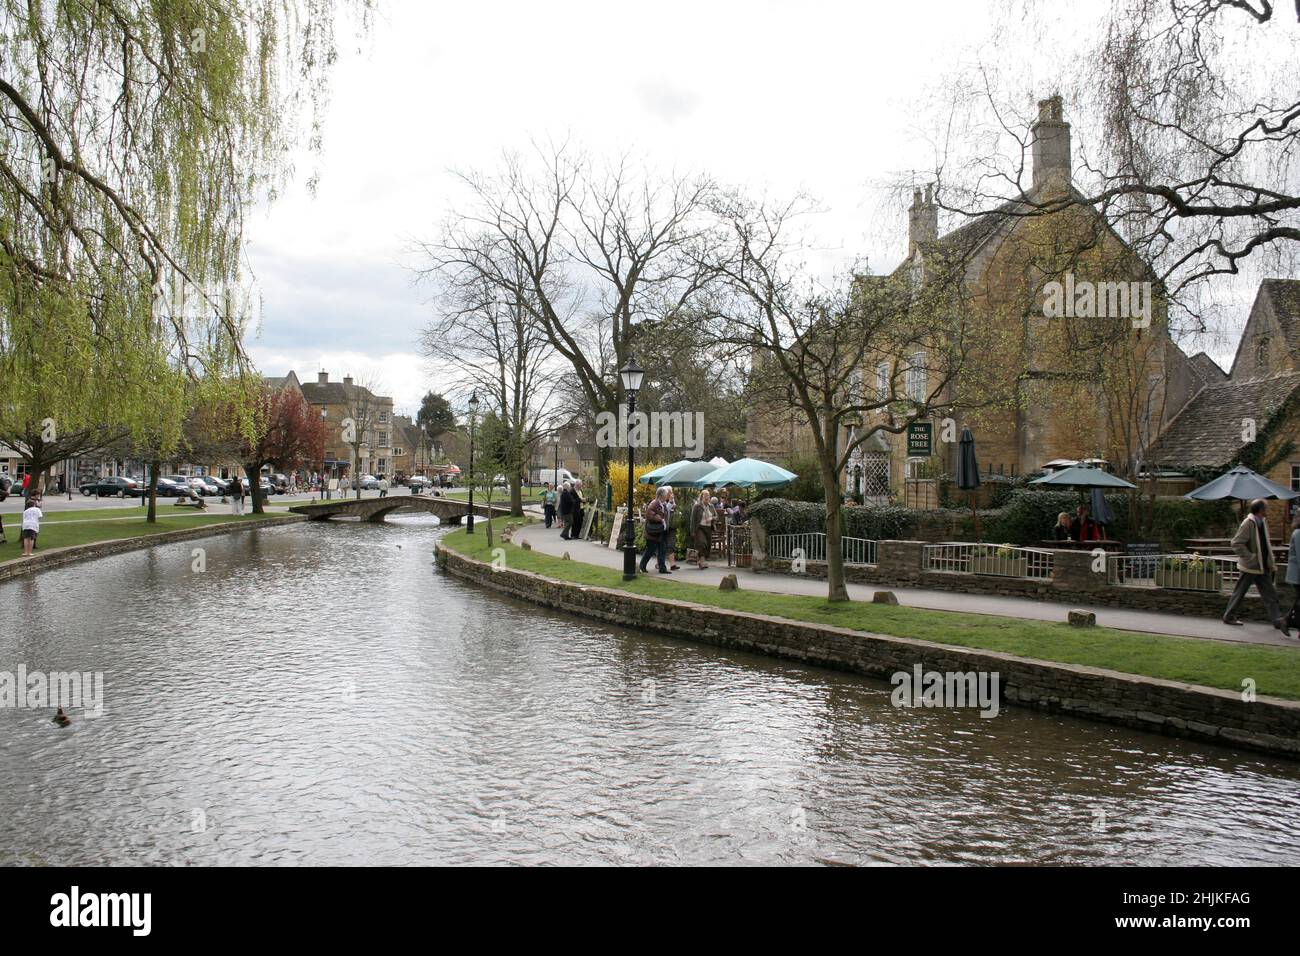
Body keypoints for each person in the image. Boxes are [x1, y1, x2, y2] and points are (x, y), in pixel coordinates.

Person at [1224, 498, 1289, 634]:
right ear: (1260, 510)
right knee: (1239, 593)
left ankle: (1278, 621)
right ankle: (1228, 616)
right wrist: (1250, 557)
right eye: (1266, 508)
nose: (1268, 510)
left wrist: (1269, 561)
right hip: (1250, 566)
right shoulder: (1248, 523)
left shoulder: (1262, 522)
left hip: (1262, 565)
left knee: (1270, 594)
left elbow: (1265, 544)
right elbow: (1236, 543)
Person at [639, 487, 671, 574]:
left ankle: (662, 568)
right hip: (653, 532)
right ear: (661, 495)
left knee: (662, 550)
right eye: (665, 494)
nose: (667, 496)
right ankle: (642, 566)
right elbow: (649, 514)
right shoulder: (654, 503)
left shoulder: (663, 504)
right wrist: (659, 518)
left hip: (661, 531)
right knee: (650, 550)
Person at [690, 490, 715, 569]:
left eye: (708, 496)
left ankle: (701, 561)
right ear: (701, 497)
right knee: (702, 543)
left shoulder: (711, 506)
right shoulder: (697, 506)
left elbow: (716, 516)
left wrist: (711, 518)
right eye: (705, 496)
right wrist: (692, 531)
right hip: (700, 528)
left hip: (708, 528)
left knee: (707, 545)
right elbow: (693, 519)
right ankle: (702, 562)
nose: (707, 497)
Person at [1286, 512, 1300, 631]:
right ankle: (1286, 621)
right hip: (1297, 575)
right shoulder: (1299, 533)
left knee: (1298, 602)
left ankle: (1285, 621)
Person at [662, 486, 680, 570]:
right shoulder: (661, 501)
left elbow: (674, 509)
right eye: (670, 492)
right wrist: (671, 502)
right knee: (661, 545)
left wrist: (673, 503)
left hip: (672, 526)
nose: (671, 494)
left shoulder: (672, 500)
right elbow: (666, 510)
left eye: (671, 492)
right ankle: (659, 563)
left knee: (671, 544)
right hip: (663, 527)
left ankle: (672, 564)